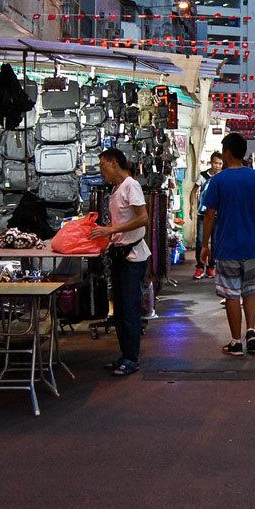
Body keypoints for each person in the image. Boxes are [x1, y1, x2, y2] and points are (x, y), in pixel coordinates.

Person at [201, 132, 255, 356]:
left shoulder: (218, 180)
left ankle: (235, 341)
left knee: (231, 294)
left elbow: (210, 216)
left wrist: (205, 245)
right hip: (252, 245)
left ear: (228, 152)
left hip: (227, 246)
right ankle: (251, 331)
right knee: (250, 290)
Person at [88, 148, 150, 377]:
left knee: (129, 310)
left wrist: (112, 229)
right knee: (121, 309)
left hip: (132, 258)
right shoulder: (117, 189)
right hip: (121, 255)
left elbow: (143, 218)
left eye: (102, 165)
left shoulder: (131, 186)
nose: (100, 170)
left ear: (114, 163)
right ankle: (125, 355)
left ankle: (132, 358)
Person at [190, 151, 223, 279]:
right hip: (202, 213)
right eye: (215, 163)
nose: (217, 166)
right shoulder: (203, 176)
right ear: (211, 162)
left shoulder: (223, 177)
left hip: (217, 214)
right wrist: (192, 207)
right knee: (200, 240)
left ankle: (211, 267)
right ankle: (199, 266)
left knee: (215, 241)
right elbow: (194, 191)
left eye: (220, 163)